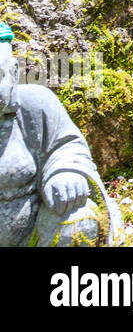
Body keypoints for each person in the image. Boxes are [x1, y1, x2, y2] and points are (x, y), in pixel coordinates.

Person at [0, 21, 118, 246]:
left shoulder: (35, 106)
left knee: (79, 220)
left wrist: (64, 173)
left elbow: (66, 145)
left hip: (34, 234)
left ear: (14, 73)